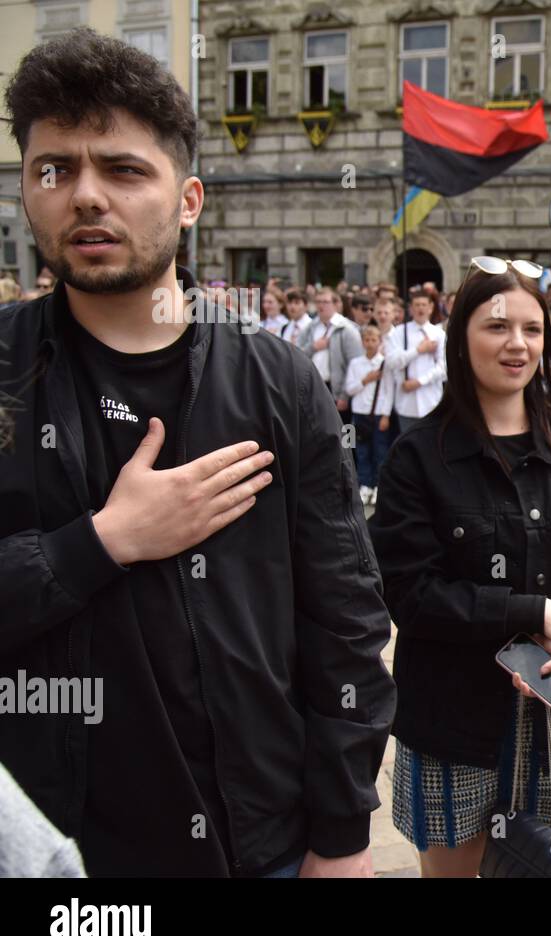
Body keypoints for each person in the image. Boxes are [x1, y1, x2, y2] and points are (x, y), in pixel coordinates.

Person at [0, 28, 395, 877]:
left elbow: (346, 620)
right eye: (54, 169)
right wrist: (101, 542)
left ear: (187, 199)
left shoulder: (275, 378)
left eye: (123, 169)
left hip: (257, 843)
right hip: (59, 852)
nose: (85, 196)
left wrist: (343, 834)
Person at [367, 258, 551, 877]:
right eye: (497, 327)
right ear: (462, 339)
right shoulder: (419, 457)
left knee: (533, 867)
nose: (517, 344)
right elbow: (409, 593)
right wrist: (533, 612)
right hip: (453, 720)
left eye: (532, 328)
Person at [384, 290, 447, 435]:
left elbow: (444, 367)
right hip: (406, 403)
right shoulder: (399, 332)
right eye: (417, 305)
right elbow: (391, 362)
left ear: (430, 307)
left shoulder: (438, 334)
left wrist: (420, 381)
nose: (420, 308)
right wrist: (417, 350)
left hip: (430, 401)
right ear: (411, 308)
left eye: (424, 305)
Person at [345, 323, 394, 506]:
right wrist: (366, 380)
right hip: (359, 414)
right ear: (362, 341)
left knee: (380, 451)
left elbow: (389, 391)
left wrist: (386, 415)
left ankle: (378, 485)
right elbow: (350, 388)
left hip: (378, 414)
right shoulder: (356, 363)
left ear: (380, 342)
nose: (370, 343)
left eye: (374, 339)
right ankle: (365, 484)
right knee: (362, 451)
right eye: (367, 339)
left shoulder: (385, 364)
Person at [296, 286, 362, 420]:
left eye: (325, 302)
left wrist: (344, 395)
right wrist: (313, 347)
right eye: (318, 302)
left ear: (336, 304)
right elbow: (297, 354)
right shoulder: (310, 327)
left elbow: (355, 364)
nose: (321, 306)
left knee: (344, 433)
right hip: (313, 385)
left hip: (335, 388)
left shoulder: (347, 329)